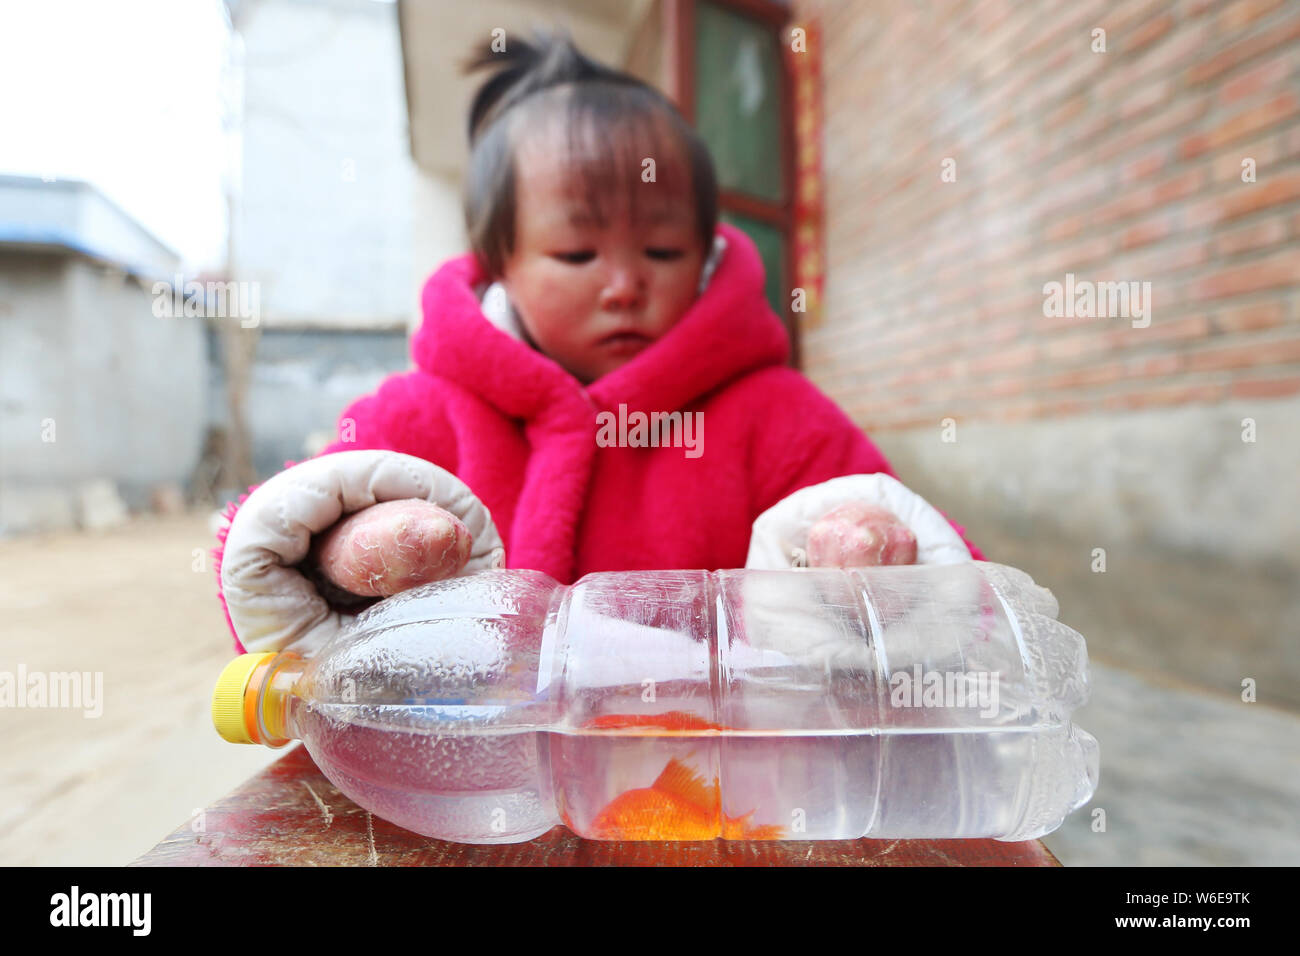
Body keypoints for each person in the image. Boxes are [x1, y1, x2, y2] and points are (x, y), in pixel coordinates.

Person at [214, 29, 983, 657]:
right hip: (465, 804)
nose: (623, 284)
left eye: (662, 252)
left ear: (707, 255)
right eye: (578, 255)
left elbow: (942, 580)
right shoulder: (420, 418)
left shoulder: (774, 414)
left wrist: (870, 571)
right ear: (501, 267)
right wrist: (349, 560)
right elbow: (277, 551)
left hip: (720, 803)